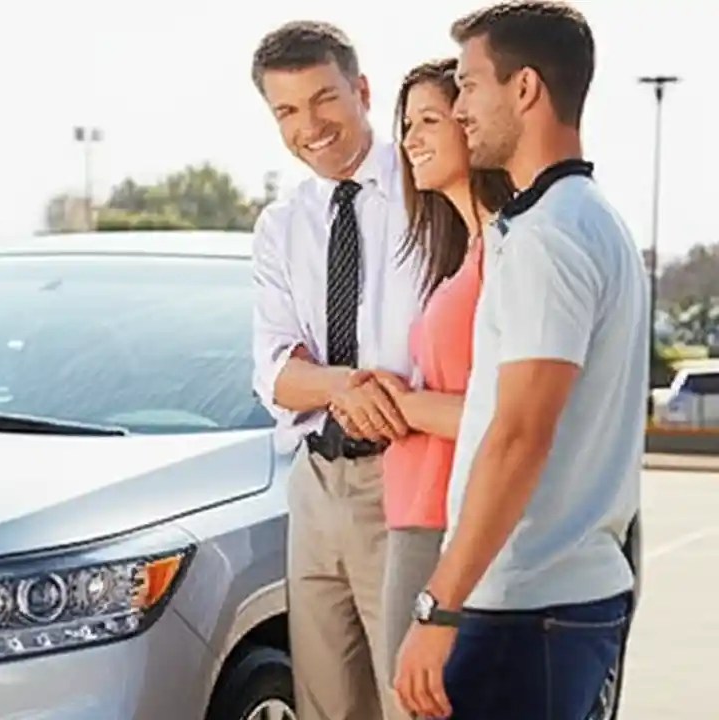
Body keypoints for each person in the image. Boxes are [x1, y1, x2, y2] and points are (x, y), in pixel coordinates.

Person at [391, 2, 647, 719]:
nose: (460, 107)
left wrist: (438, 607)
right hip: (560, 602)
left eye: (470, 86)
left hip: (522, 606)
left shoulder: (550, 237)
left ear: (525, 89)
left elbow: (519, 435)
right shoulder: (590, 220)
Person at [249, 20, 423, 720]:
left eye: (324, 100)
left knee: (410, 698)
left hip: (406, 477)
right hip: (316, 482)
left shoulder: (428, 196)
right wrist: (348, 386)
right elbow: (274, 372)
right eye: (286, 111)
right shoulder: (282, 225)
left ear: (363, 91)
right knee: (327, 704)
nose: (309, 127)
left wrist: (324, 381)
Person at [338, 57, 514, 685]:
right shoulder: (466, 251)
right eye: (406, 122)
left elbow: (499, 414)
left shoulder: (506, 251)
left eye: (430, 120)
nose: (409, 138)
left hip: (447, 519)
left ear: (473, 122)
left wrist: (399, 404)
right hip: (415, 509)